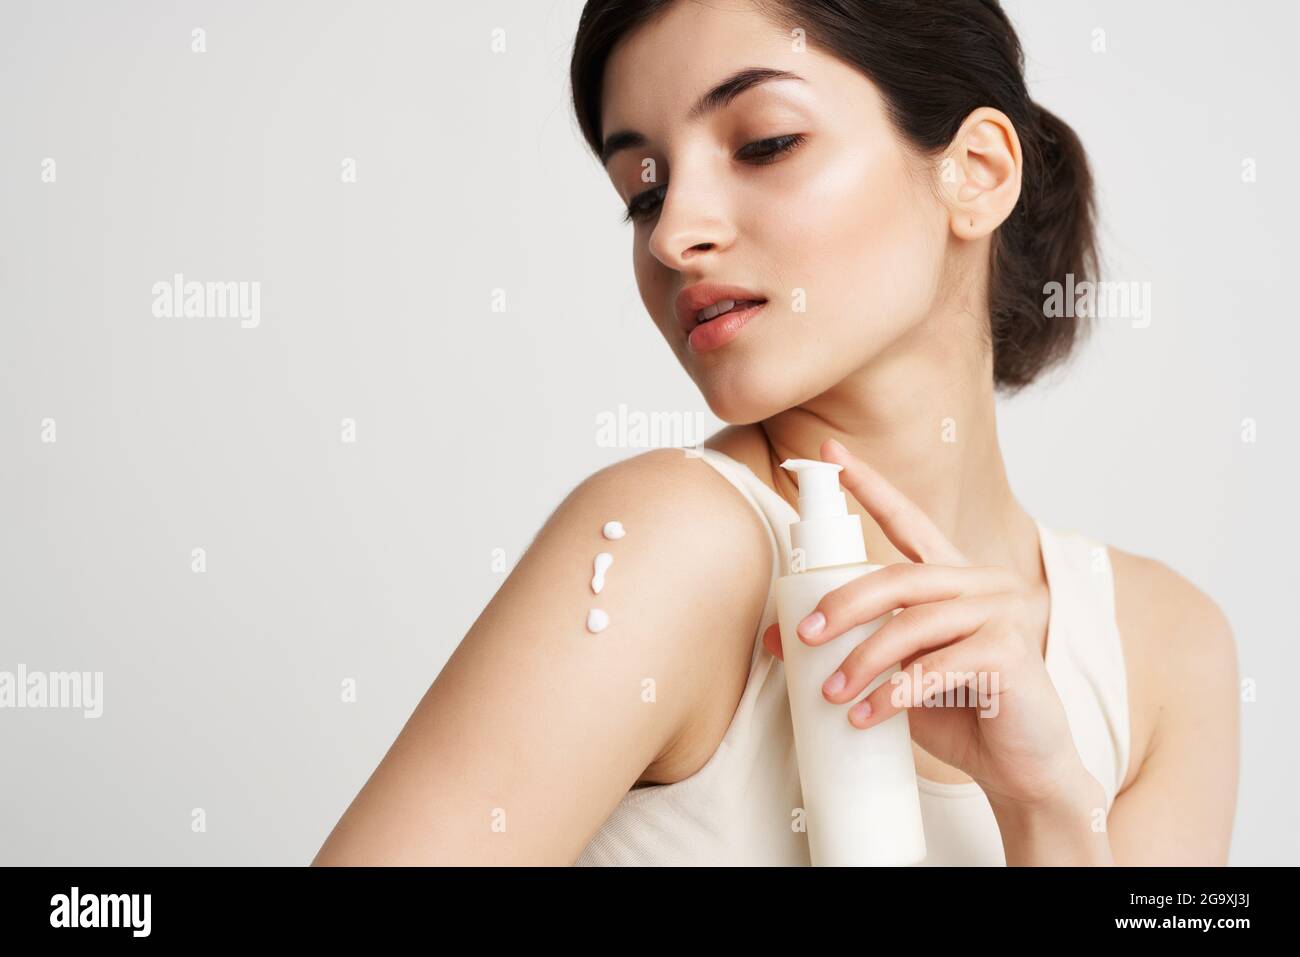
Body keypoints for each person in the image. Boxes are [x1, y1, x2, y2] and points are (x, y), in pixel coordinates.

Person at [312, 0, 1239, 866]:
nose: (674, 233)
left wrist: (1049, 813)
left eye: (764, 142)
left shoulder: (1165, 652)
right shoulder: (669, 545)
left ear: (978, 173)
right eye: (643, 191)